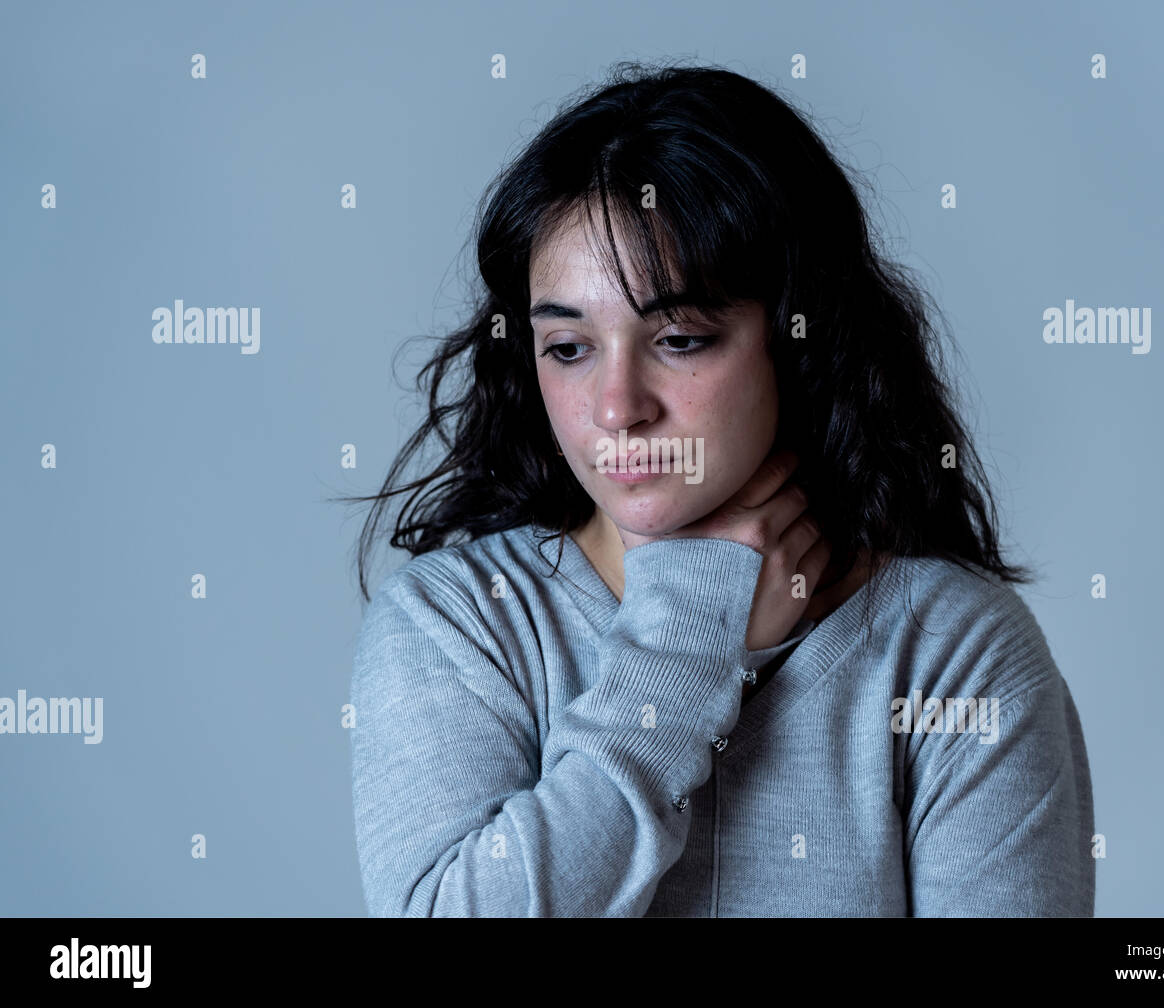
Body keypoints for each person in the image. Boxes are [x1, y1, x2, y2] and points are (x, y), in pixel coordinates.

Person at [339, 61, 1095, 917]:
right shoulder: (457, 624)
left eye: (681, 339)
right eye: (569, 348)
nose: (618, 408)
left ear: (797, 339)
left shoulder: (954, 651)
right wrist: (691, 638)